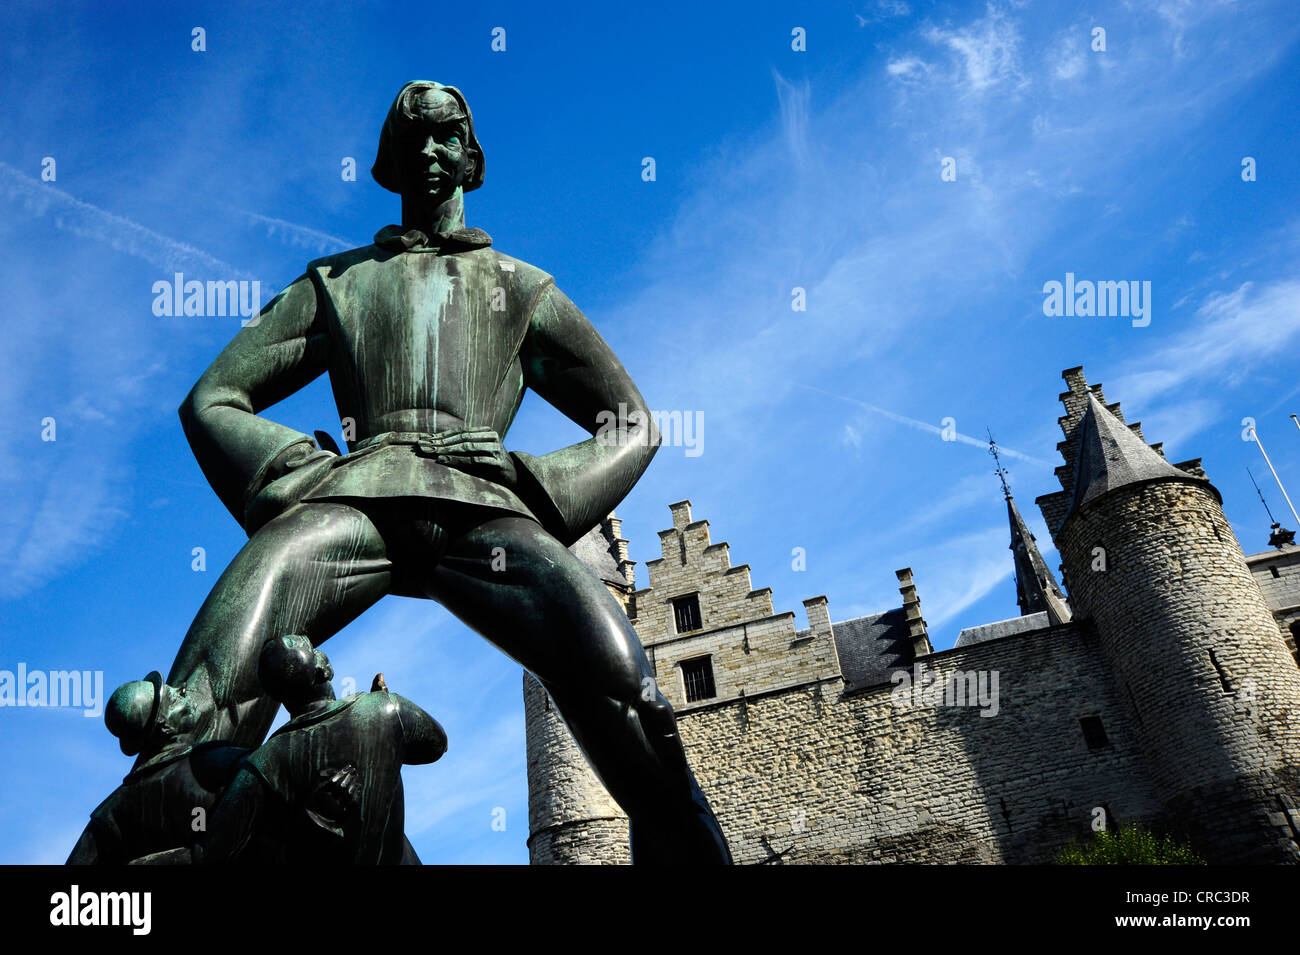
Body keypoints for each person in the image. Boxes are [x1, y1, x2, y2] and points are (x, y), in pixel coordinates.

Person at [160, 81, 730, 863]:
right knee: (200, 699)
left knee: (633, 702)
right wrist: (301, 475)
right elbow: (213, 399)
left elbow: (632, 424)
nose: (429, 151)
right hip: (353, 508)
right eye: (411, 139)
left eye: (445, 136)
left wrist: (529, 479)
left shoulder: (522, 288)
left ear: (470, 158)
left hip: (483, 514)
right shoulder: (334, 282)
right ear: (388, 162)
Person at [196, 636, 441, 864]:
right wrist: (388, 732)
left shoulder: (266, 761)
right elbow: (436, 745)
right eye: (312, 649)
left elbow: (213, 851)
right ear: (322, 669)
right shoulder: (387, 710)